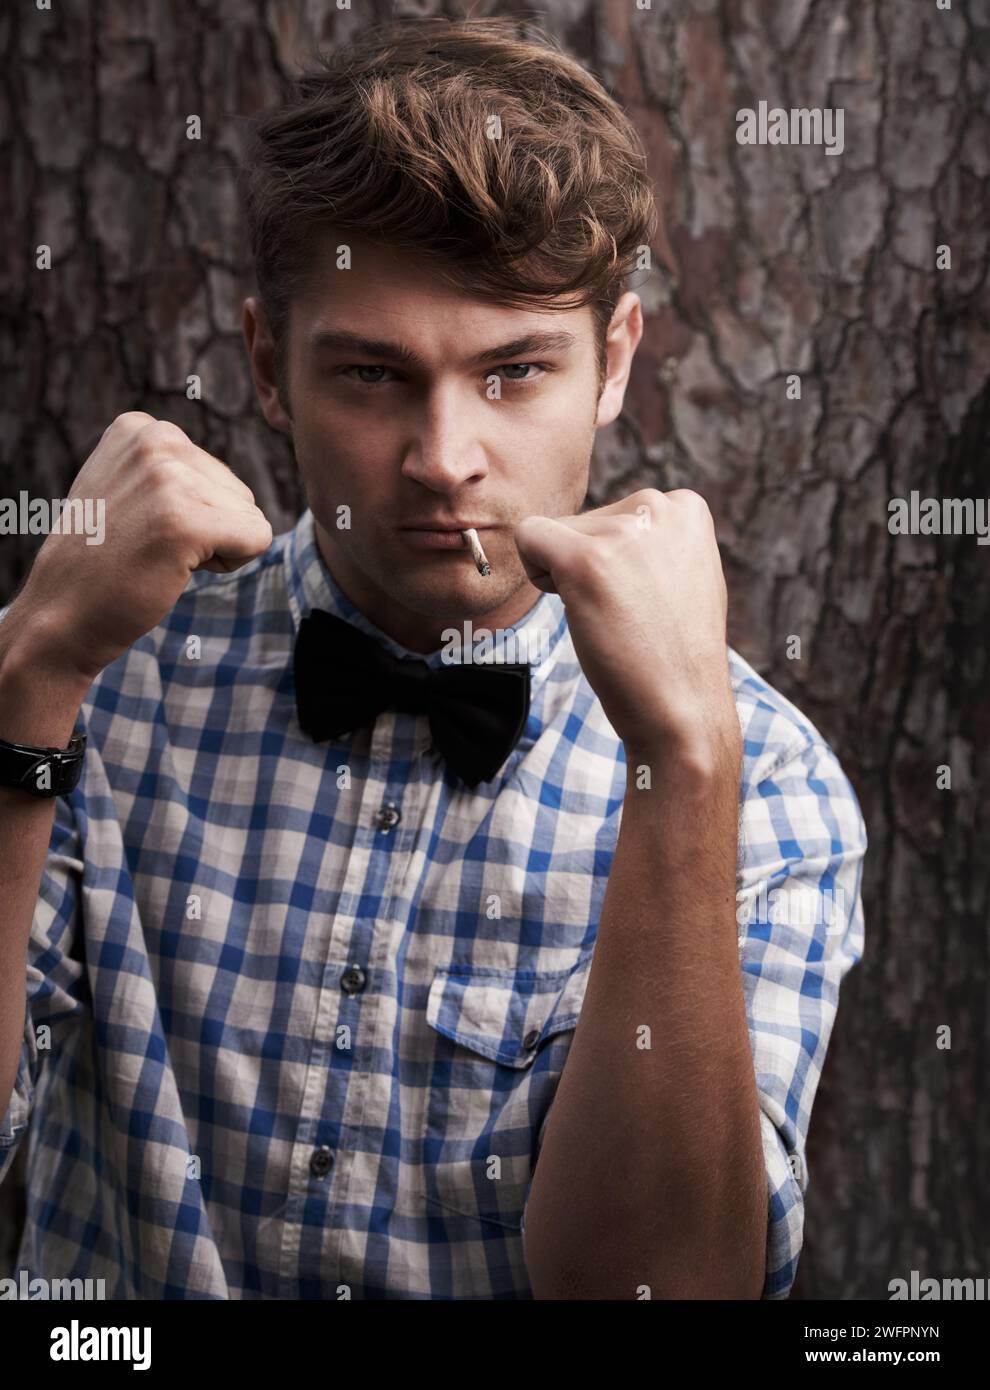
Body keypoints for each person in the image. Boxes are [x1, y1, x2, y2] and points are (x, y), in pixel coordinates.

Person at [0, 15, 866, 1300]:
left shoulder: (767, 782)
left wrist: (682, 773)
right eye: (371, 374)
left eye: (515, 372)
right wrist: (22, 682)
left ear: (615, 360)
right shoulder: (104, 681)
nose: (443, 458)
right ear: (268, 367)